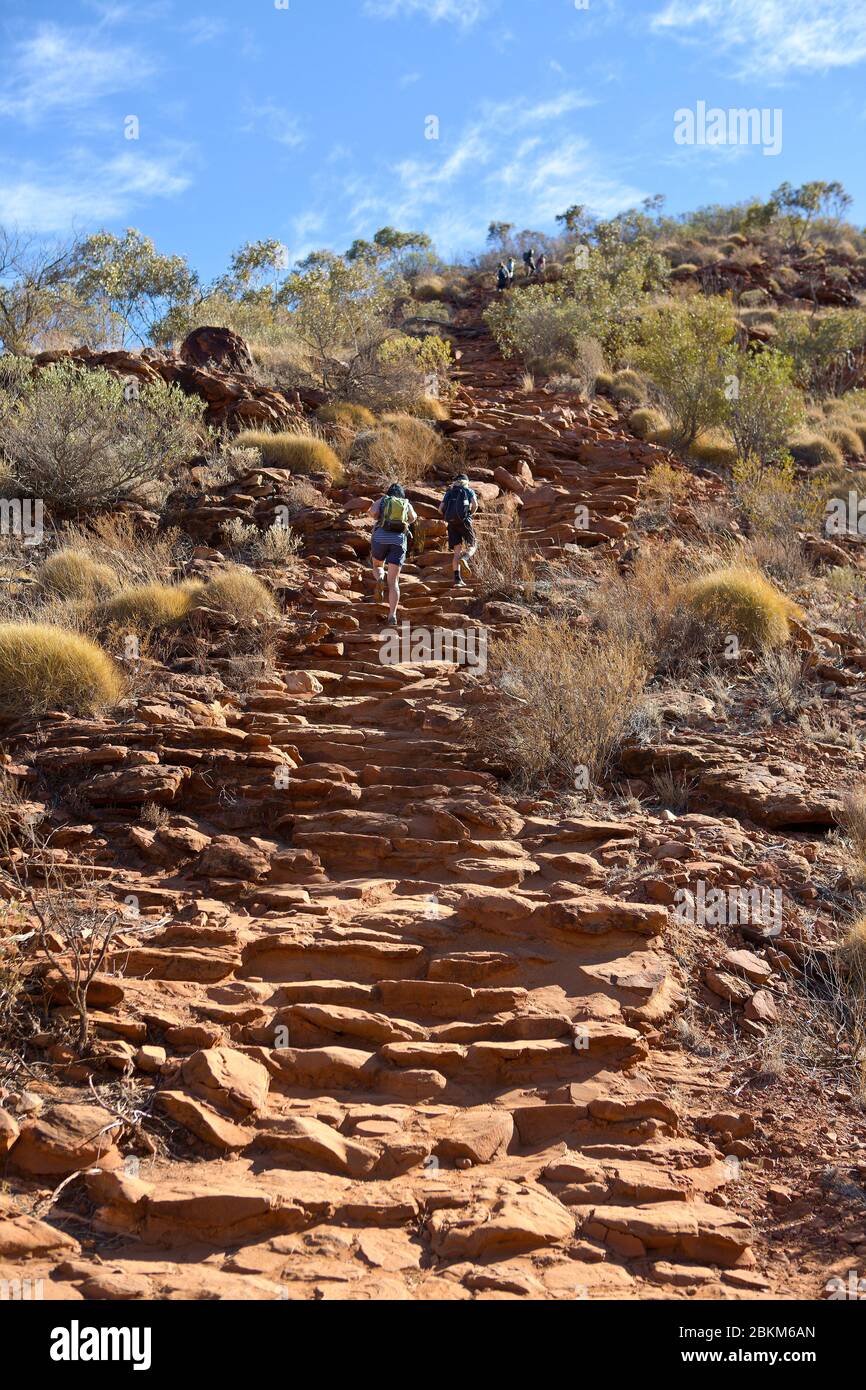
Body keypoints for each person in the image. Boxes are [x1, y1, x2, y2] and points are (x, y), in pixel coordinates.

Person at [368, 482, 418, 627]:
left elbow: (373, 513)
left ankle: (380, 579)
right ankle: (392, 616)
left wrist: (381, 518)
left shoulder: (383, 500)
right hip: (398, 540)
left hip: (380, 537)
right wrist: (403, 522)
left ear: (389, 492)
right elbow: (413, 517)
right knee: (394, 581)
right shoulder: (406, 503)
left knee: (377, 565)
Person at [439, 474, 478, 587]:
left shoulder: (449, 492)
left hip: (452, 524)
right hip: (464, 522)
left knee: (457, 552)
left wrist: (450, 517)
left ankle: (457, 580)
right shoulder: (468, 491)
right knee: (473, 545)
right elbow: (475, 504)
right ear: (466, 481)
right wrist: (470, 513)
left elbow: (440, 510)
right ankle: (465, 558)